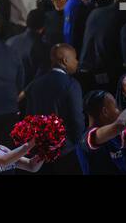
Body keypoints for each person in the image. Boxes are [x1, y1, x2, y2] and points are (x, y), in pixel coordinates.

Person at [19, 44, 85, 174]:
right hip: (65, 153)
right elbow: (77, 120)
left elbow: (28, 118)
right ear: (65, 61)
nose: (77, 62)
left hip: (39, 154)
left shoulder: (35, 84)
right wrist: (76, 144)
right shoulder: (71, 85)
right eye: (75, 58)